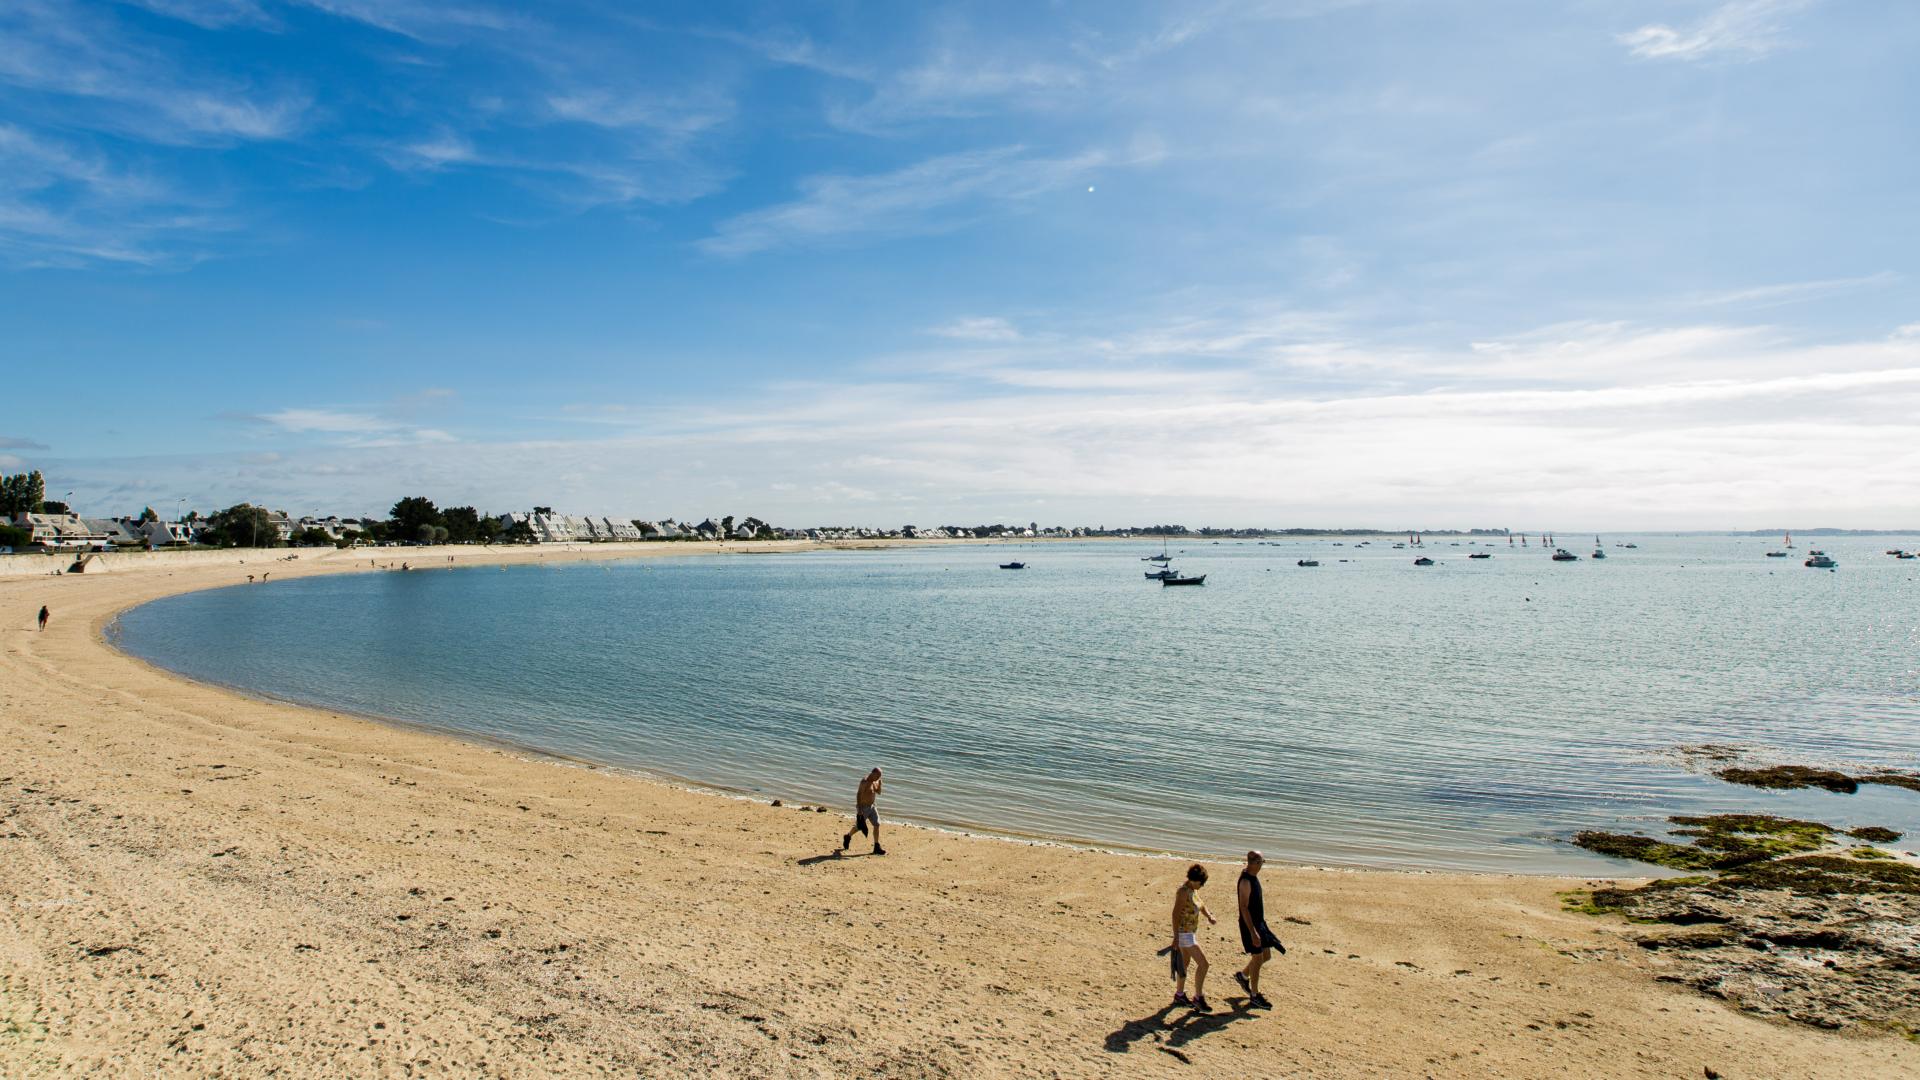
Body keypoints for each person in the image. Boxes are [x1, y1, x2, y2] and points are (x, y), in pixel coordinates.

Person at [1233, 851, 1284, 1009]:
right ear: (1254, 863)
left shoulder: (1252, 876)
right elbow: (1243, 907)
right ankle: (1254, 995)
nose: (1263, 864)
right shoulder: (1246, 882)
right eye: (1262, 861)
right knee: (1257, 958)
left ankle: (1242, 976)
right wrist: (1253, 932)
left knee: (1266, 956)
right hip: (1251, 925)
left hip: (1259, 923)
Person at [1171, 864, 1216, 1011]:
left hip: (1190, 933)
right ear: (1194, 880)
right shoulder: (1183, 892)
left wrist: (1209, 916)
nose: (1202, 886)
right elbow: (1175, 914)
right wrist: (1176, 937)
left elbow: (1201, 905)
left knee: (1184, 963)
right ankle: (1198, 997)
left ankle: (1179, 994)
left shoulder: (1193, 890)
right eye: (1201, 883)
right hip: (1184, 934)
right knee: (1204, 964)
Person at [839, 768, 885, 856]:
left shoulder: (875, 781)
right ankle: (848, 836)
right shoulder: (865, 781)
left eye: (880, 776)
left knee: (877, 824)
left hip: (872, 807)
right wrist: (859, 810)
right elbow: (858, 794)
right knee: (859, 827)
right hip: (863, 808)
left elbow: (878, 792)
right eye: (878, 775)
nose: (879, 777)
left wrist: (880, 784)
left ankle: (876, 846)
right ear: (872, 773)